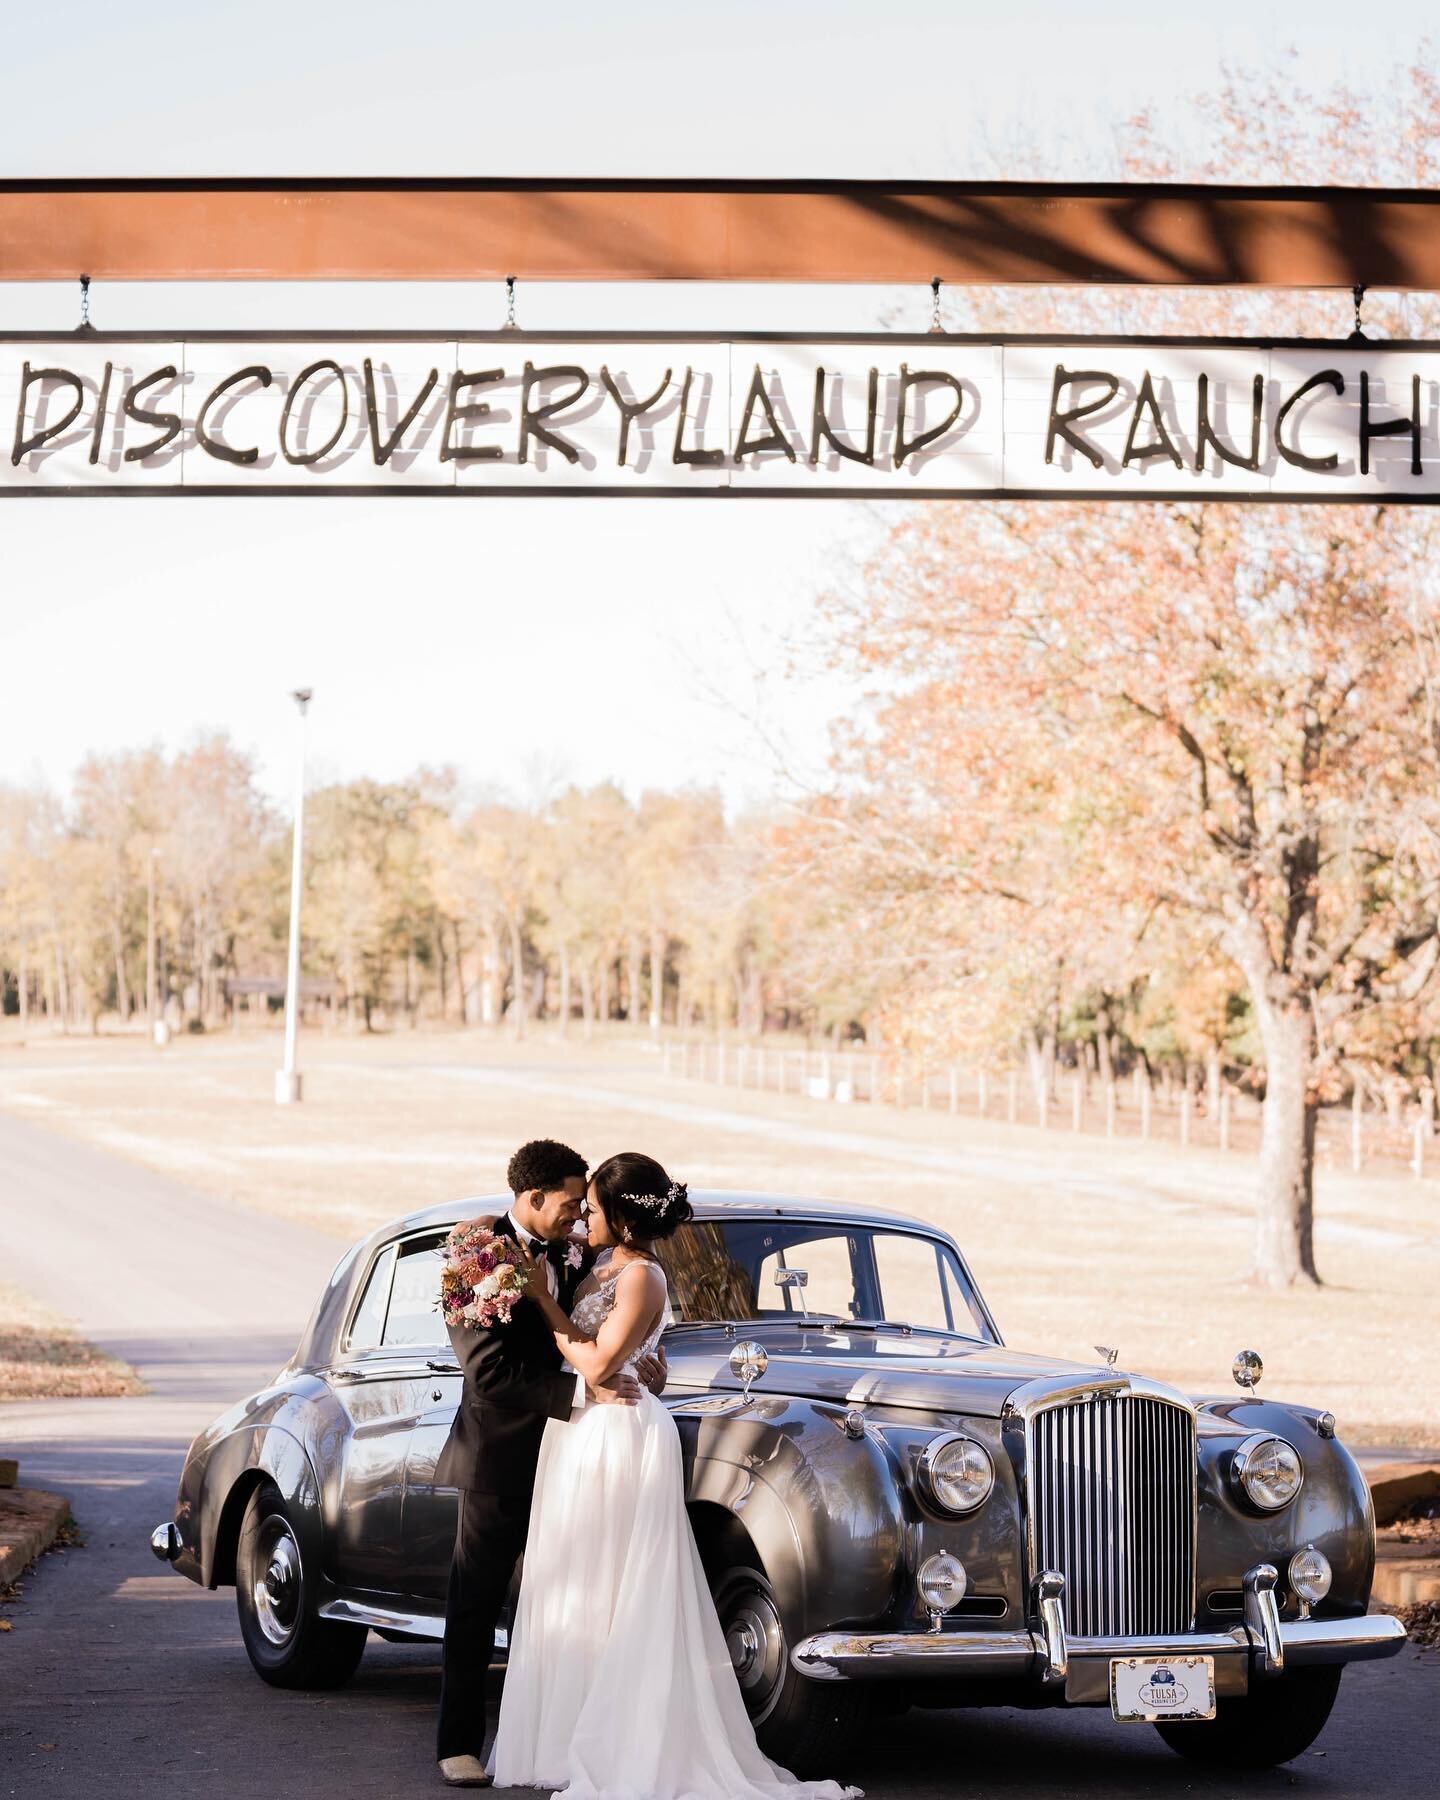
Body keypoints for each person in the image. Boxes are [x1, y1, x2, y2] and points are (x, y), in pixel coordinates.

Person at [492, 1150, 860, 1800]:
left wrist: (548, 1309)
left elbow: (602, 1366)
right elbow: (628, 1353)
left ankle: (622, 1738)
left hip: (619, 1433)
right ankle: (563, 1732)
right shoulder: (602, 1266)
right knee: (574, 1579)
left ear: (624, 1217)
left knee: (616, 1583)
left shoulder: (643, 1277)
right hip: (580, 1433)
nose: (585, 1221)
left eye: (596, 1210)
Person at [434, 1139, 668, 1789]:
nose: (576, 1216)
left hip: (585, 1457)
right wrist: (581, 1390)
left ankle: (573, 1739)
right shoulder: (472, 1251)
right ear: (531, 1199)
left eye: (582, 1206)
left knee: (580, 1600)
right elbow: (485, 1371)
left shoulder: (581, 1250)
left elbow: (614, 1316)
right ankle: (458, 1745)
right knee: (476, 1603)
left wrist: (644, 1357)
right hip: (502, 1453)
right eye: (569, 1204)